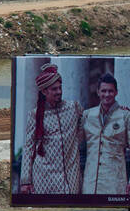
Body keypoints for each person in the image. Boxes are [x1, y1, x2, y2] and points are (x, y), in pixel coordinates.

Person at [19, 64, 83, 195]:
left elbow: (92, 121)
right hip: (43, 176)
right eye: (54, 89)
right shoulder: (35, 115)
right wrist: (25, 181)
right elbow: (29, 147)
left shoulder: (73, 107)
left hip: (70, 174)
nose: (59, 92)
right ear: (44, 91)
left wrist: (118, 111)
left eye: (60, 88)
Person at [81, 73, 130, 195]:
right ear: (98, 92)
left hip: (115, 181)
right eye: (103, 91)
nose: (107, 95)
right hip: (91, 182)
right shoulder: (87, 115)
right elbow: (75, 142)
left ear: (116, 92)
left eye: (110, 91)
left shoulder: (126, 116)